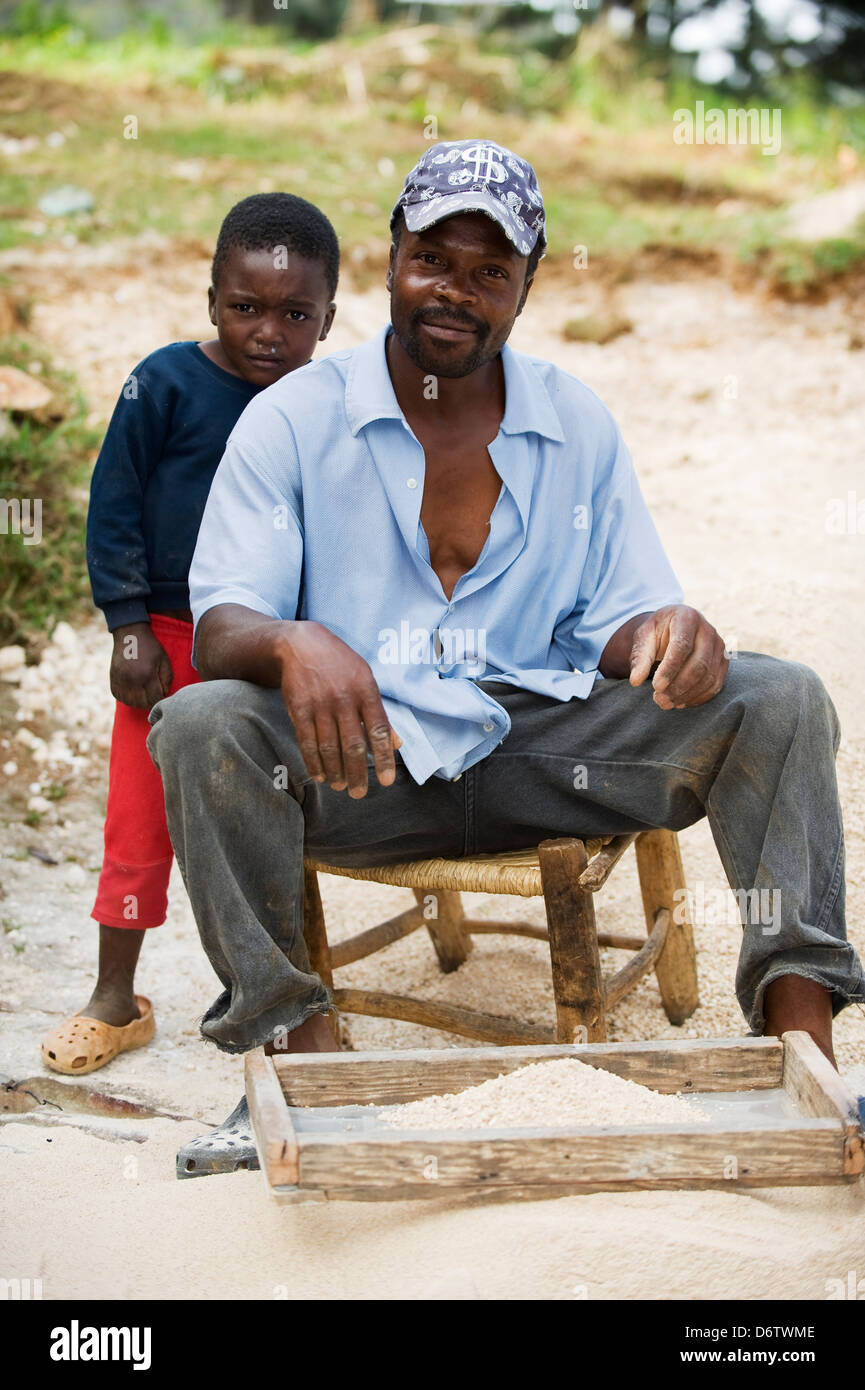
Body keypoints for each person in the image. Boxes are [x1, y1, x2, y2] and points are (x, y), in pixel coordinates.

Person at [146, 140, 863, 1174]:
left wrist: (671, 636)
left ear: (526, 286)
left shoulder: (572, 423)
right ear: (390, 256)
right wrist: (291, 638)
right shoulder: (293, 418)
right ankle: (300, 1059)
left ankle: (803, 1055)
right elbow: (221, 624)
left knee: (780, 696)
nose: (456, 292)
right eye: (434, 259)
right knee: (204, 722)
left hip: (545, 751)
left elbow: (622, 622)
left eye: (491, 272)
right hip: (366, 761)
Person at [41, 192, 338, 1076]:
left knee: (266, 806)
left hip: (282, 637)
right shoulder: (164, 384)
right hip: (171, 631)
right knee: (139, 819)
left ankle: (277, 990)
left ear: (328, 319)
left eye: (296, 314)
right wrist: (128, 628)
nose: (268, 333)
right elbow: (116, 507)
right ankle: (115, 998)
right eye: (246, 308)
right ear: (212, 301)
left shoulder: (322, 404)